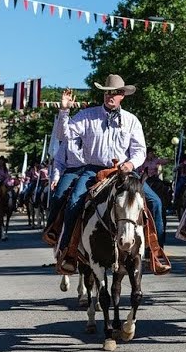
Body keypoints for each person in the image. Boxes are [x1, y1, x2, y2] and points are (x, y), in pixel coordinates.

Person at [50, 74, 164, 250]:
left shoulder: (131, 120)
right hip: (93, 170)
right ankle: (67, 248)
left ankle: (156, 250)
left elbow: (139, 150)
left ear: (122, 96)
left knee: (155, 201)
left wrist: (131, 164)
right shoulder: (86, 115)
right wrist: (64, 111)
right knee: (74, 200)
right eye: (107, 92)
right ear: (103, 94)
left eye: (115, 92)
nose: (111, 96)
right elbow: (62, 136)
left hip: (124, 171)